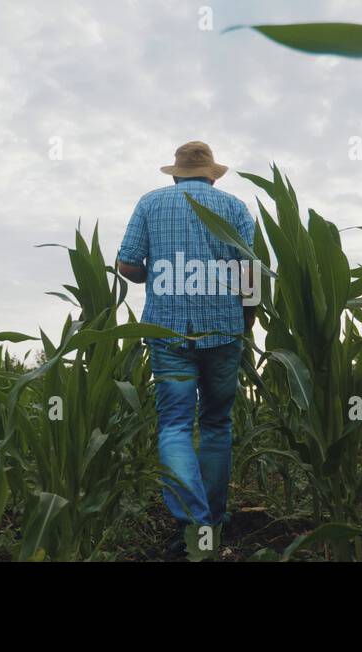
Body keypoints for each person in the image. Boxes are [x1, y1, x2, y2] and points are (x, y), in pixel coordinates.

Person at [116, 141, 256, 556]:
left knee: (175, 425)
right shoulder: (234, 207)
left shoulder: (150, 203)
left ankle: (194, 525)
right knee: (217, 424)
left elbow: (126, 265)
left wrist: (154, 271)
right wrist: (246, 320)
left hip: (168, 330)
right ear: (212, 175)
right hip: (223, 331)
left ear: (175, 174)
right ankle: (212, 520)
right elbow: (249, 271)